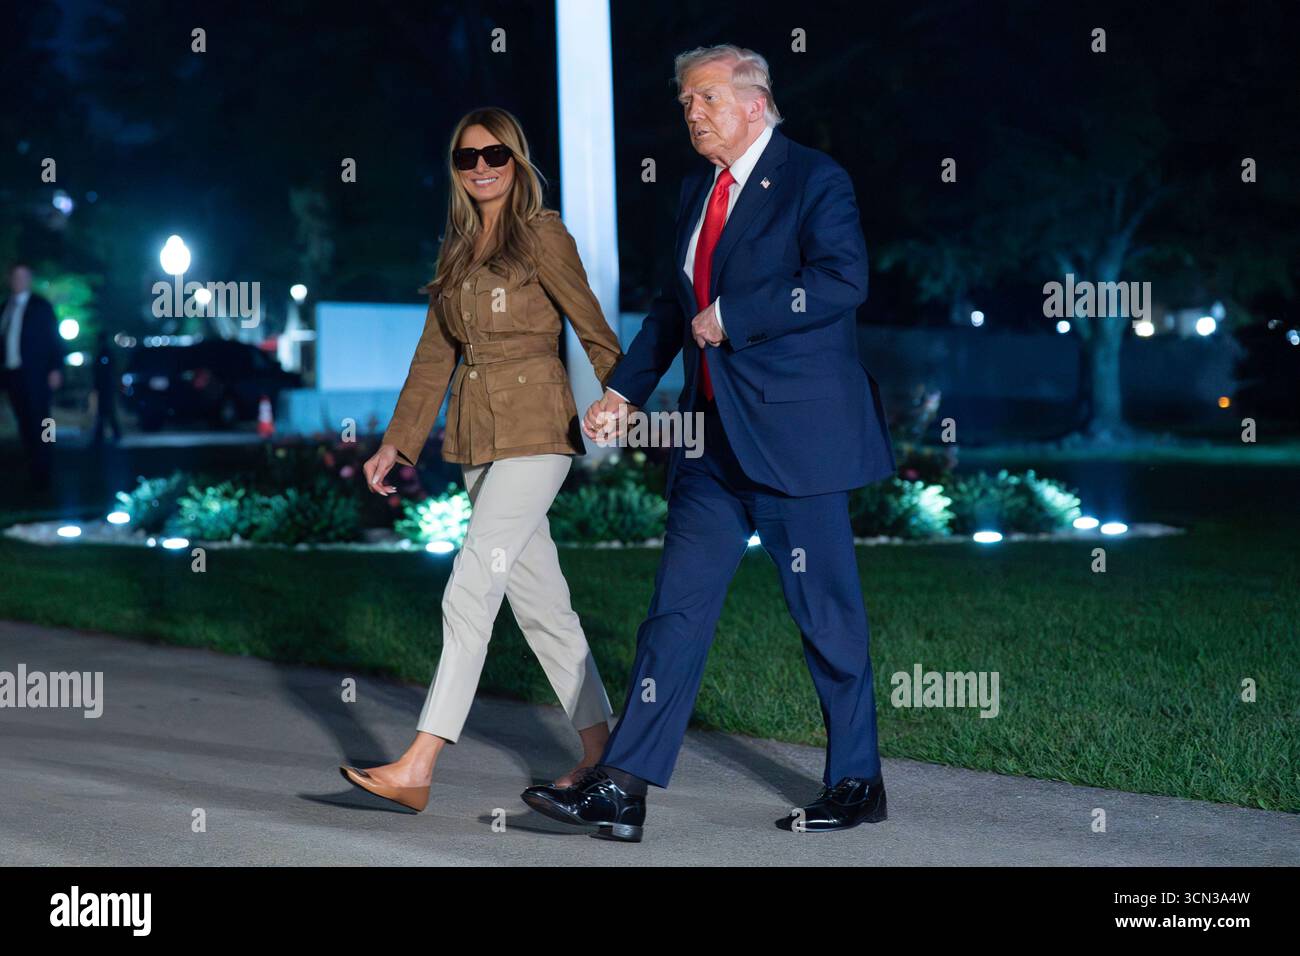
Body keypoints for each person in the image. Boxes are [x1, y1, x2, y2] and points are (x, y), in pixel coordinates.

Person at [521, 44, 896, 842]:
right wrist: (622, 391)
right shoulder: (697, 190)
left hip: (798, 443)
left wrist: (735, 316)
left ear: (755, 101)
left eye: (706, 99)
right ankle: (624, 786)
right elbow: (669, 307)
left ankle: (858, 781)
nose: (691, 113)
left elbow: (842, 280)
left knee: (825, 617)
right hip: (709, 444)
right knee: (674, 616)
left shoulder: (814, 180)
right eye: (685, 101)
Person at [340, 107, 624, 813]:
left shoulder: (542, 234)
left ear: (516, 159)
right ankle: (605, 754)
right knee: (543, 607)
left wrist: (622, 395)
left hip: (536, 432)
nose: (483, 167)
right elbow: (436, 352)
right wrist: (397, 441)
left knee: (470, 584)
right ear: (457, 170)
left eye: (495, 154)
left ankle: (419, 764)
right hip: (477, 442)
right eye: (468, 158)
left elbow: (591, 324)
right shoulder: (459, 247)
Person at [0, 262, 64, 492]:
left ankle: (45, 467)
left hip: (36, 375)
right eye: (16, 276)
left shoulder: (40, 306)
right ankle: (32, 467)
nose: (20, 281)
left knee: (43, 422)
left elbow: (53, 338)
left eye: (24, 277)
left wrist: (56, 367)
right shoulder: (5, 307)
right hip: (13, 374)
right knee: (25, 423)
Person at [91, 330, 122, 446]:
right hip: (105, 387)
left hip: (106, 387)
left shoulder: (105, 353)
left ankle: (101, 435)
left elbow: (105, 372)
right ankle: (102, 435)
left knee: (106, 411)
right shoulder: (103, 353)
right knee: (105, 412)